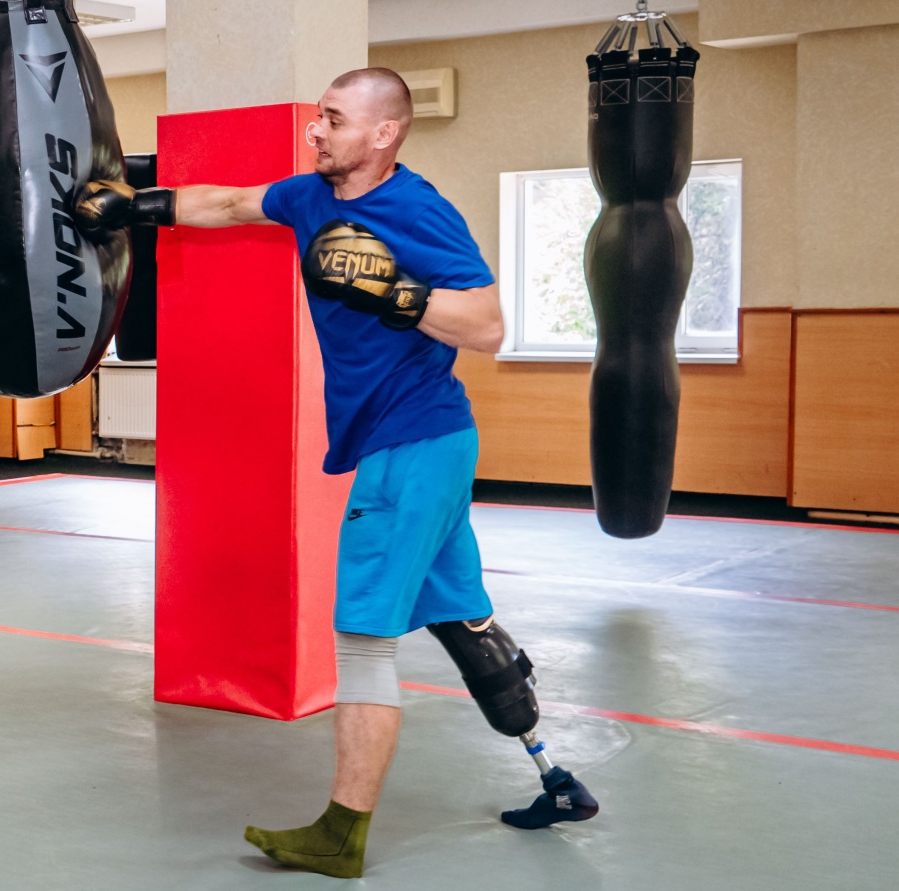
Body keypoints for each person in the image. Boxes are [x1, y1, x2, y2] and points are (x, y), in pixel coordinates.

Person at [75, 67, 598, 880]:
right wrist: (135, 207)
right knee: (459, 615)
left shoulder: (415, 210)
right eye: (317, 118)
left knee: (360, 642)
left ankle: (340, 833)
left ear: (383, 133)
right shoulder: (311, 195)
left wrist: (395, 291)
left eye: (331, 120)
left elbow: (488, 326)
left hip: (409, 443)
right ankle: (554, 775)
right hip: (426, 446)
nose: (314, 132)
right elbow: (227, 203)